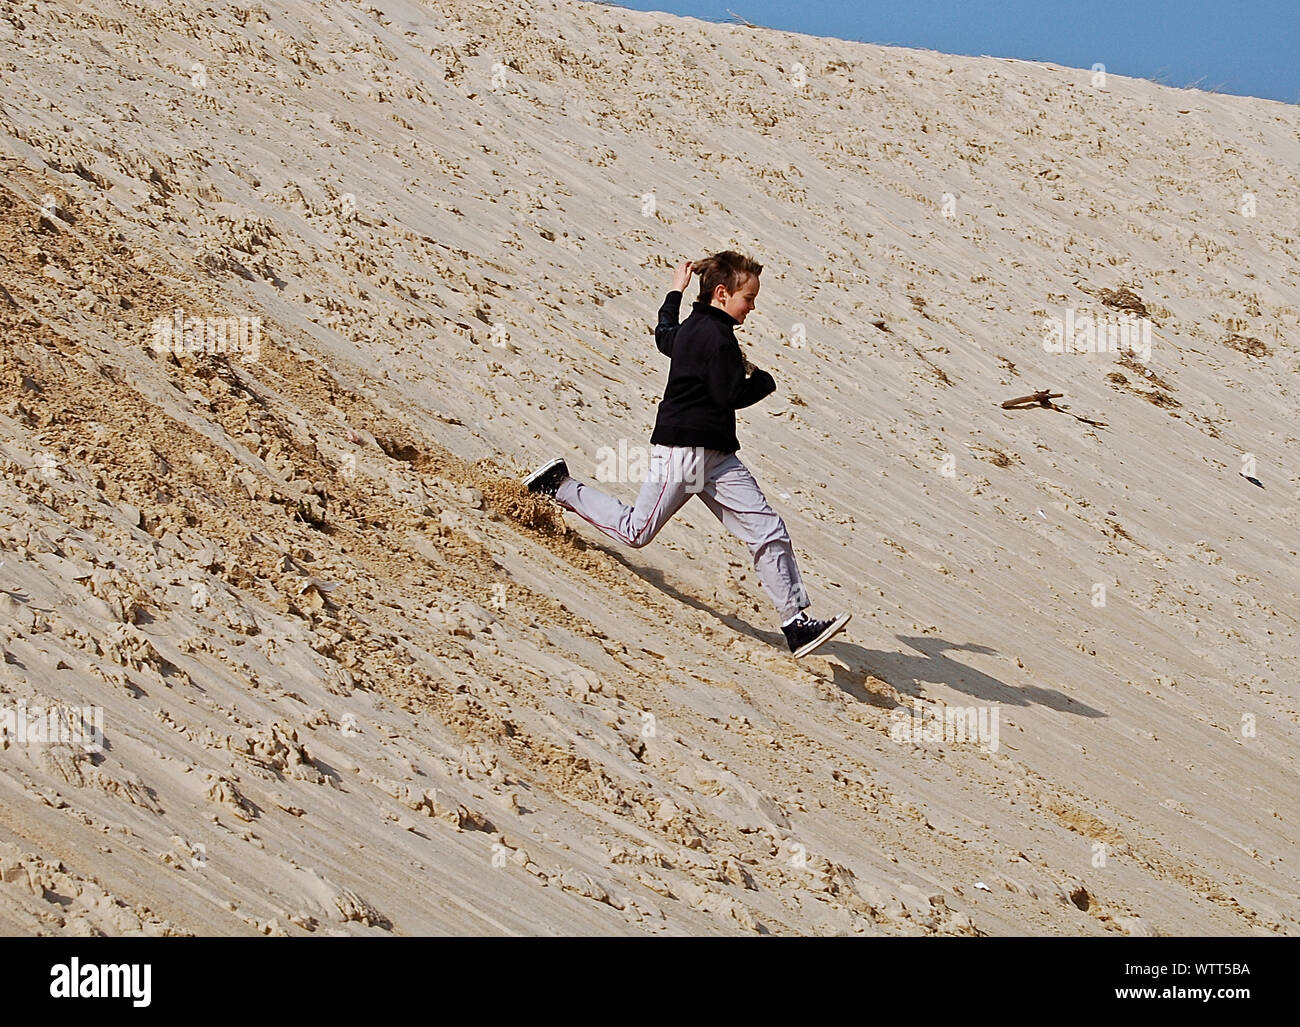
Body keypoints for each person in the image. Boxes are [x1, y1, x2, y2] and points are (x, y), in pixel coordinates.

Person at [524, 251, 849, 658]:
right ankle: (559, 486)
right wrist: (764, 382)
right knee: (635, 533)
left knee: (768, 530)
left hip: (717, 457)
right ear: (721, 293)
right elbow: (730, 395)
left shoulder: (697, 326)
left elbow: (665, 337)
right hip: (683, 452)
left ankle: (795, 623)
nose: (752, 307)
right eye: (748, 298)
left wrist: (674, 291)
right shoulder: (717, 338)